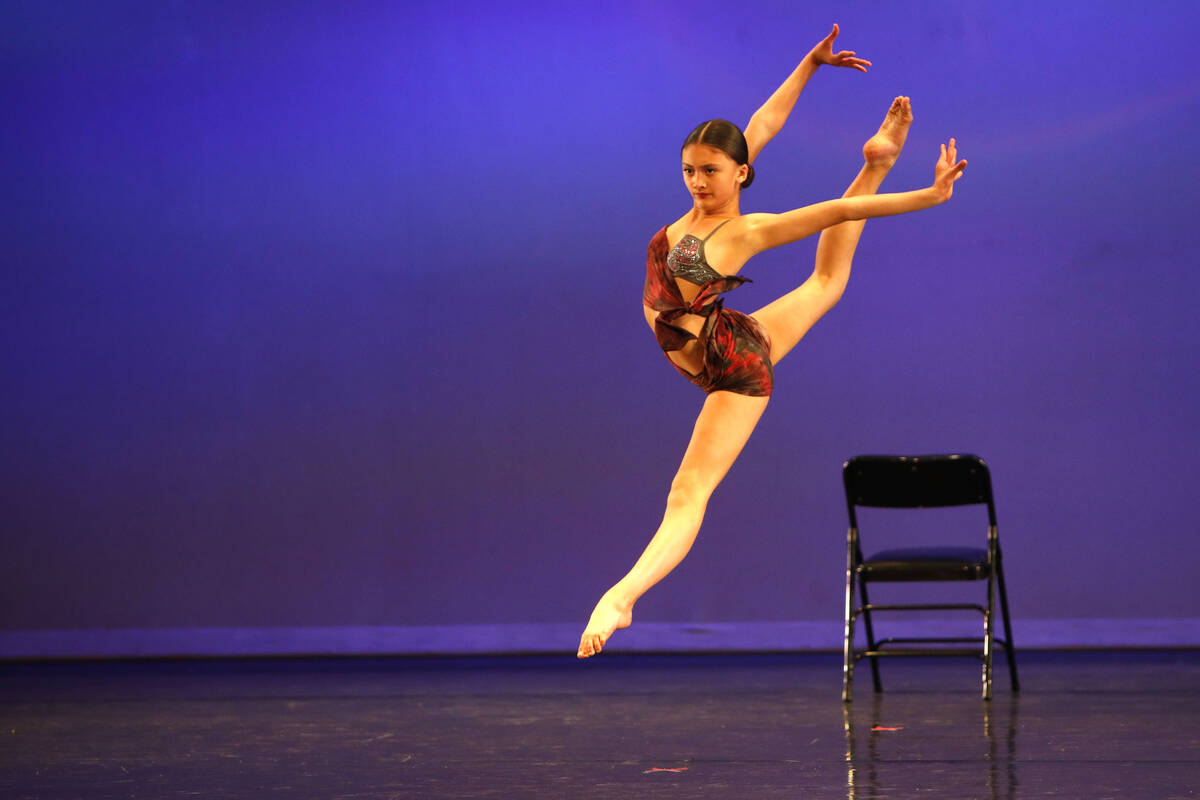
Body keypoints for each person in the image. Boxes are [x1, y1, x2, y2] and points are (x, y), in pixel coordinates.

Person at [577, 24, 966, 659]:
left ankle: (621, 598)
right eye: (689, 171)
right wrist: (810, 65)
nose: (699, 183)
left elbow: (834, 214)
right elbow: (762, 120)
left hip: (732, 367)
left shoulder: (743, 231)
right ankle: (875, 161)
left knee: (688, 493)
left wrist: (930, 194)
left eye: (710, 172)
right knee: (827, 283)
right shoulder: (713, 190)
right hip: (734, 334)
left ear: (740, 174)